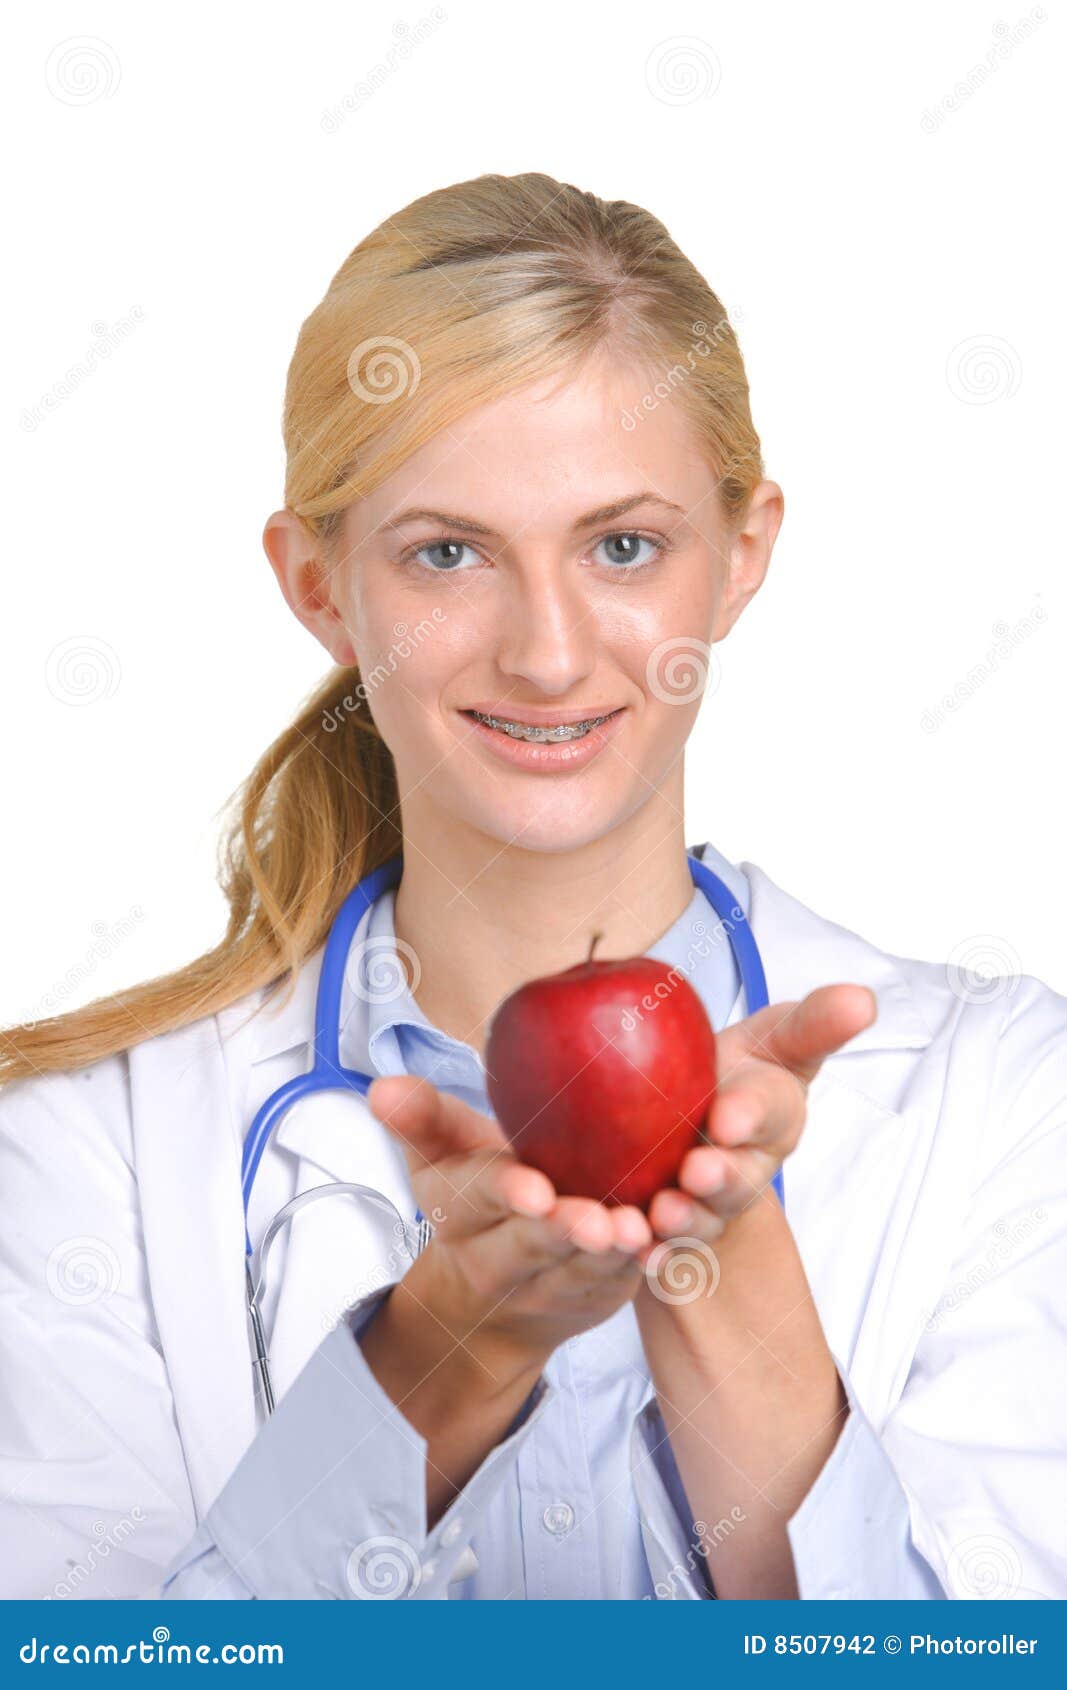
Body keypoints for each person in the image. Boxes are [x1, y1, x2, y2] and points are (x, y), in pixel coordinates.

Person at [1, 172, 1063, 1603]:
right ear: (318, 584)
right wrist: (444, 1356)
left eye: (624, 546)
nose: (549, 654)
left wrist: (726, 1274)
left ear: (742, 555)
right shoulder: (84, 1148)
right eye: (447, 554)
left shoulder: (1007, 1101)